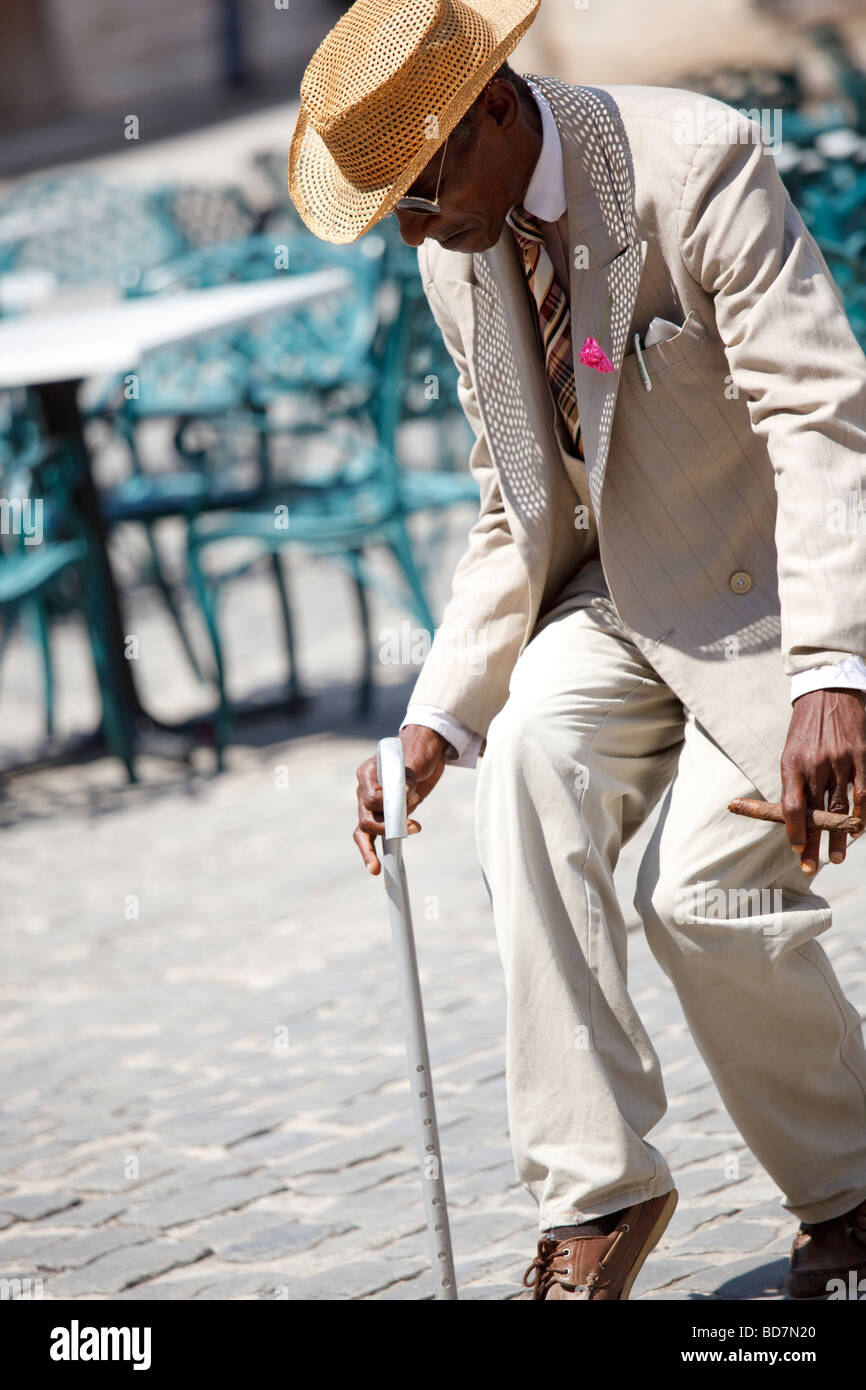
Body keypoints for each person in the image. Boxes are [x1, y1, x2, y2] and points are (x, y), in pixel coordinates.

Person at [289, 0, 866, 1299]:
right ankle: (595, 1193)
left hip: (779, 598)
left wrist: (833, 670)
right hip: (613, 599)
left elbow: (821, 419)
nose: (412, 227)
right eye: (389, 203)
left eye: (419, 187)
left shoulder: (695, 161)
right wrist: (437, 716)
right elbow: (512, 508)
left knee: (699, 898)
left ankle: (851, 1192)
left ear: (494, 109)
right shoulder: (457, 247)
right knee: (527, 764)